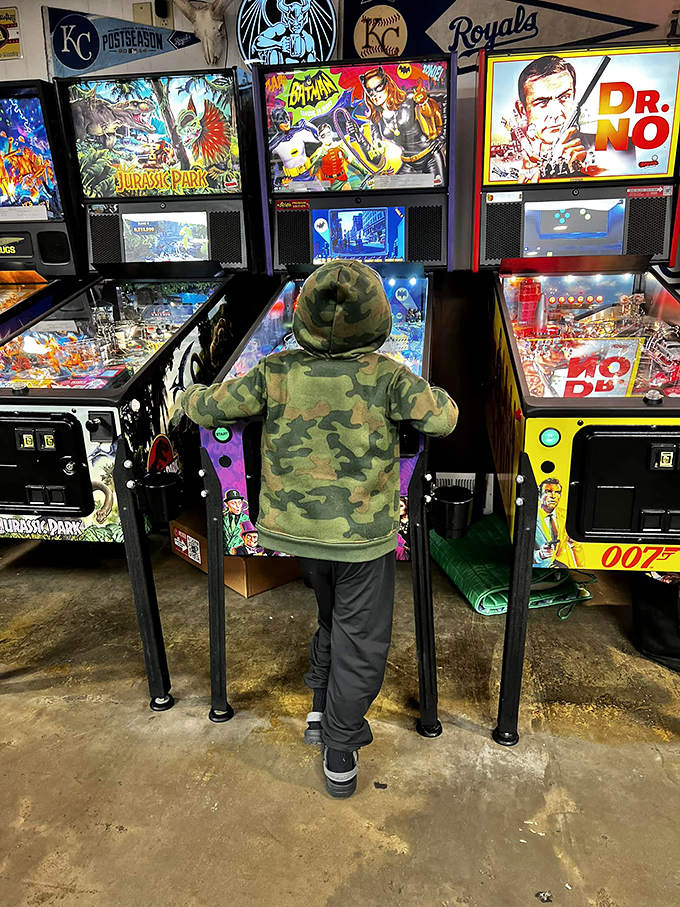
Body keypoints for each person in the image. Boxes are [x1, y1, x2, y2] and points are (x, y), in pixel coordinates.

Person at [181, 260, 457, 798]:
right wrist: (432, 389)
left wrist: (187, 397)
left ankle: (317, 708)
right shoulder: (389, 376)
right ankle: (340, 742)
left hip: (294, 535)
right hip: (361, 541)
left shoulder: (276, 370)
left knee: (331, 616)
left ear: (302, 316)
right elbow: (443, 418)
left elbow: (211, 405)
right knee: (363, 640)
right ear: (379, 320)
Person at [513, 55, 587, 181]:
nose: (556, 113)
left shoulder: (615, 150)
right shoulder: (521, 163)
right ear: (522, 111)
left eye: (564, 98)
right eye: (542, 103)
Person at [534, 477, 582, 568]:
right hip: (535, 567)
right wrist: (540, 555)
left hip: (559, 566)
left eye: (557, 492)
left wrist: (582, 569)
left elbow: (576, 545)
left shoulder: (565, 515)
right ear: (539, 495)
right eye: (548, 491)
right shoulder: (529, 516)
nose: (553, 496)